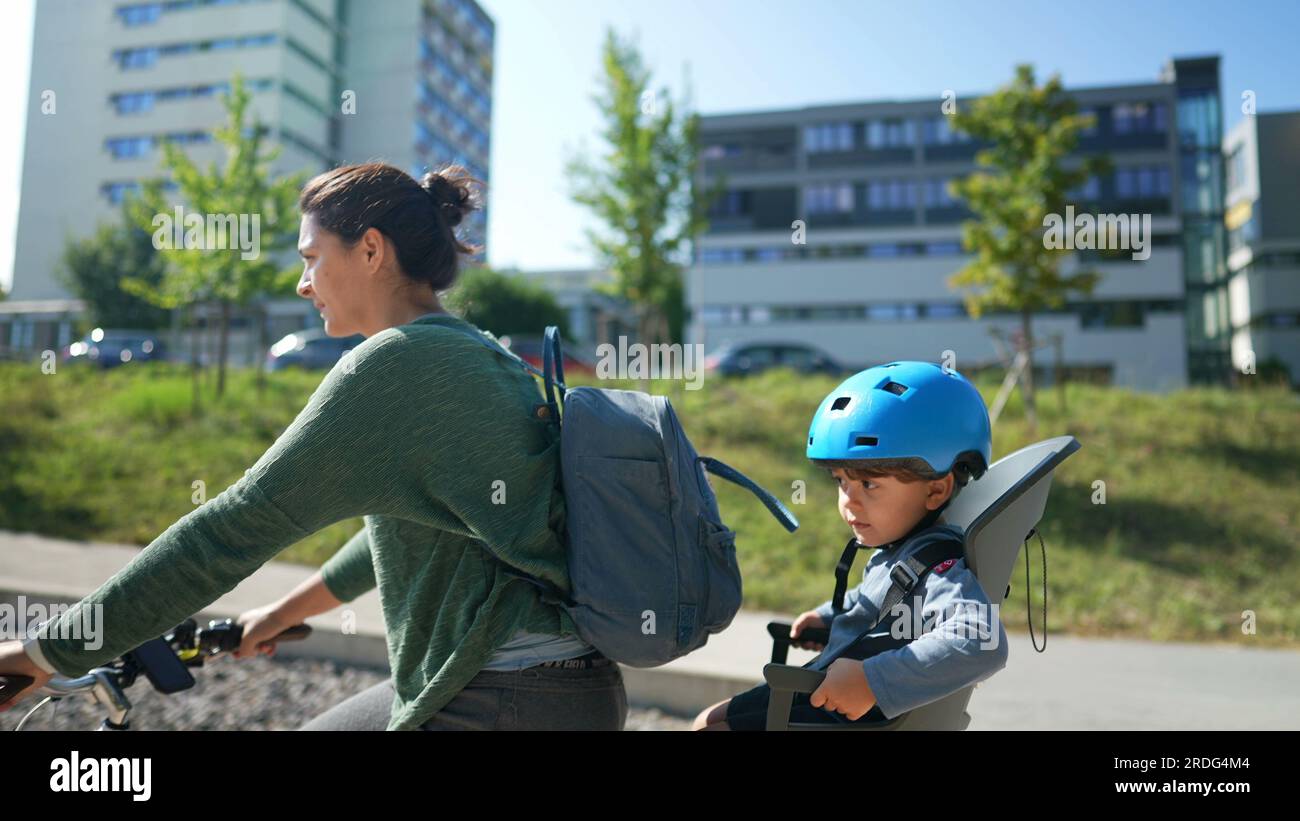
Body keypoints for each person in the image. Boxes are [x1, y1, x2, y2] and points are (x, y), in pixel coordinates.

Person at [0, 161, 627, 731]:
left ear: (371, 250)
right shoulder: (480, 350)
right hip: (568, 686)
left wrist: (43, 652)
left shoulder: (393, 365)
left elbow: (229, 531)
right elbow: (406, 527)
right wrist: (277, 613)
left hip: (504, 698)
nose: (303, 283)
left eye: (311, 257)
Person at [693, 361, 1008, 730]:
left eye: (869, 485)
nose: (848, 502)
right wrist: (830, 617)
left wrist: (874, 680)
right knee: (708, 720)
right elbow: (878, 601)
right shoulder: (900, 550)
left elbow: (982, 641)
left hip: (851, 713)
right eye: (842, 482)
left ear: (936, 489)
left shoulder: (939, 567)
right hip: (828, 689)